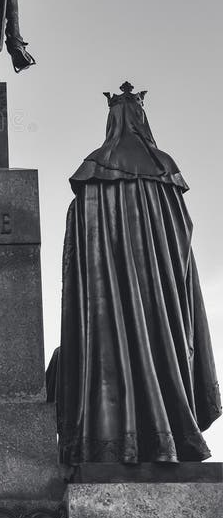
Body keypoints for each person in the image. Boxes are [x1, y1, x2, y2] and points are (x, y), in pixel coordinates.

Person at [57, 82, 221, 465]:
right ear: (142, 121)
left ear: (111, 121)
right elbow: (181, 236)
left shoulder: (94, 171)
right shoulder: (163, 170)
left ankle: (112, 439)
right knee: (164, 347)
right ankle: (171, 436)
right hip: (159, 294)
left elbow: (82, 237)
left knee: (110, 350)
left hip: (106, 294)